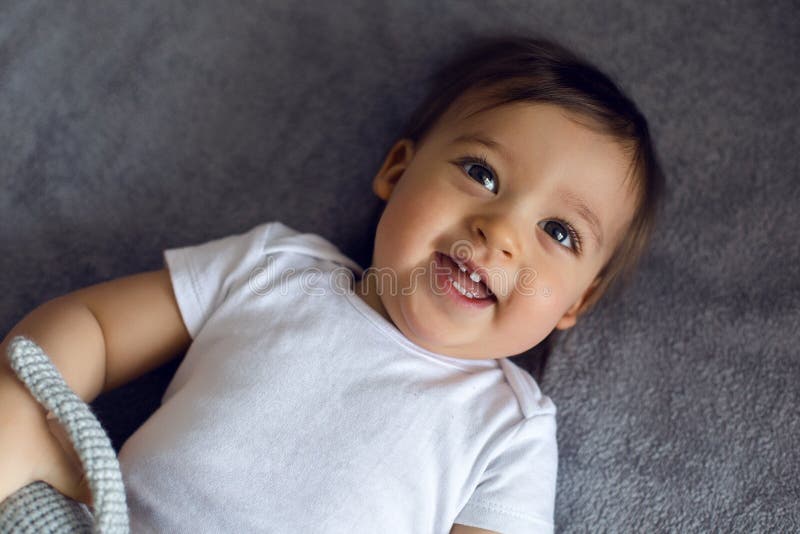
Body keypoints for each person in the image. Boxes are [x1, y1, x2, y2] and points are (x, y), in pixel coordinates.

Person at [0, 34, 664, 533]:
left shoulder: (508, 428)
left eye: (559, 232)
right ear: (397, 171)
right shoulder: (278, 269)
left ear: (578, 299)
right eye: (482, 174)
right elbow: (94, 327)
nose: (503, 231)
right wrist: (23, 408)